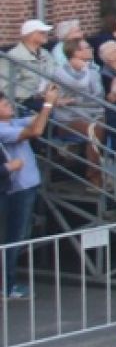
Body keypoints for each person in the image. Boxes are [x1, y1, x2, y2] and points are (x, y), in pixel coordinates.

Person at [0, 85, 58, 298]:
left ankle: (8, 283)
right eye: (4, 104)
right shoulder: (2, 129)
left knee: (19, 235)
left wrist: (43, 101)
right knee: (12, 238)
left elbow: (38, 120)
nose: (9, 105)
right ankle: (7, 285)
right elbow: (36, 131)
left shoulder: (11, 122)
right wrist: (48, 104)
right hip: (17, 189)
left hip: (28, 186)